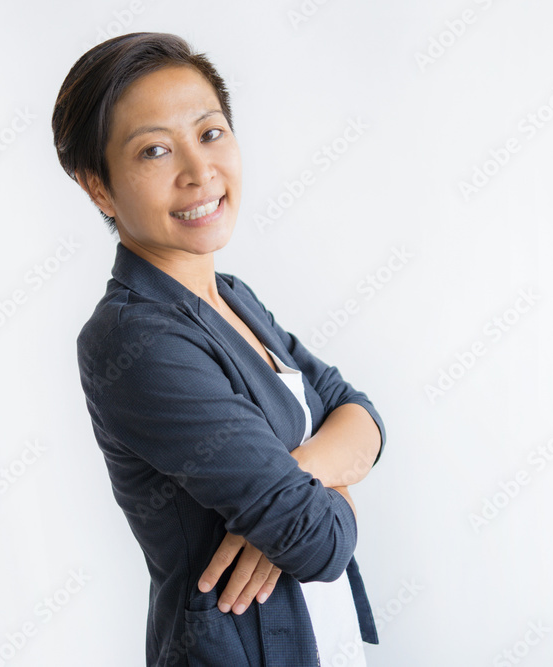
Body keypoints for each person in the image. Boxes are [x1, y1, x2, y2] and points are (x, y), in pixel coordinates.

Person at [52, 32, 387, 666]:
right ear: (98, 187)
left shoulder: (231, 295)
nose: (199, 171)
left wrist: (301, 475)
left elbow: (361, 411)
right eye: (155, 150)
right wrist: (327, 487)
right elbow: (317, 541)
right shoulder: (134, 337)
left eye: (210, 133)